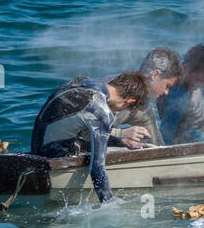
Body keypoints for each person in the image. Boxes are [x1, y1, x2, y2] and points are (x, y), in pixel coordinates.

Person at [30, 72, 150, 203]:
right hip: (52, 156)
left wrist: (121, 141)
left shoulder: (81, 82)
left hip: (38, 148)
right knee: (108, 154)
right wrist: (109, 203)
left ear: (113, 80)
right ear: (130, 101)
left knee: (107, 146)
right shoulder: (102, 111)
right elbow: (97, 168)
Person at [157, 45, 204, 144]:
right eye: (200, 80)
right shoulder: (177, 99)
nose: (203, 85)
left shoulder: (182, 74)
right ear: (185, 68)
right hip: (202, 141)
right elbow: (166, 134)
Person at [113, 47, 182, 146]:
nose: (167, 92)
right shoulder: (115, 92)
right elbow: (84, 131)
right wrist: (120, 134)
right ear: (155, 75)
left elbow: (157, 148)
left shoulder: (145, 108)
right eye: (167, 86)